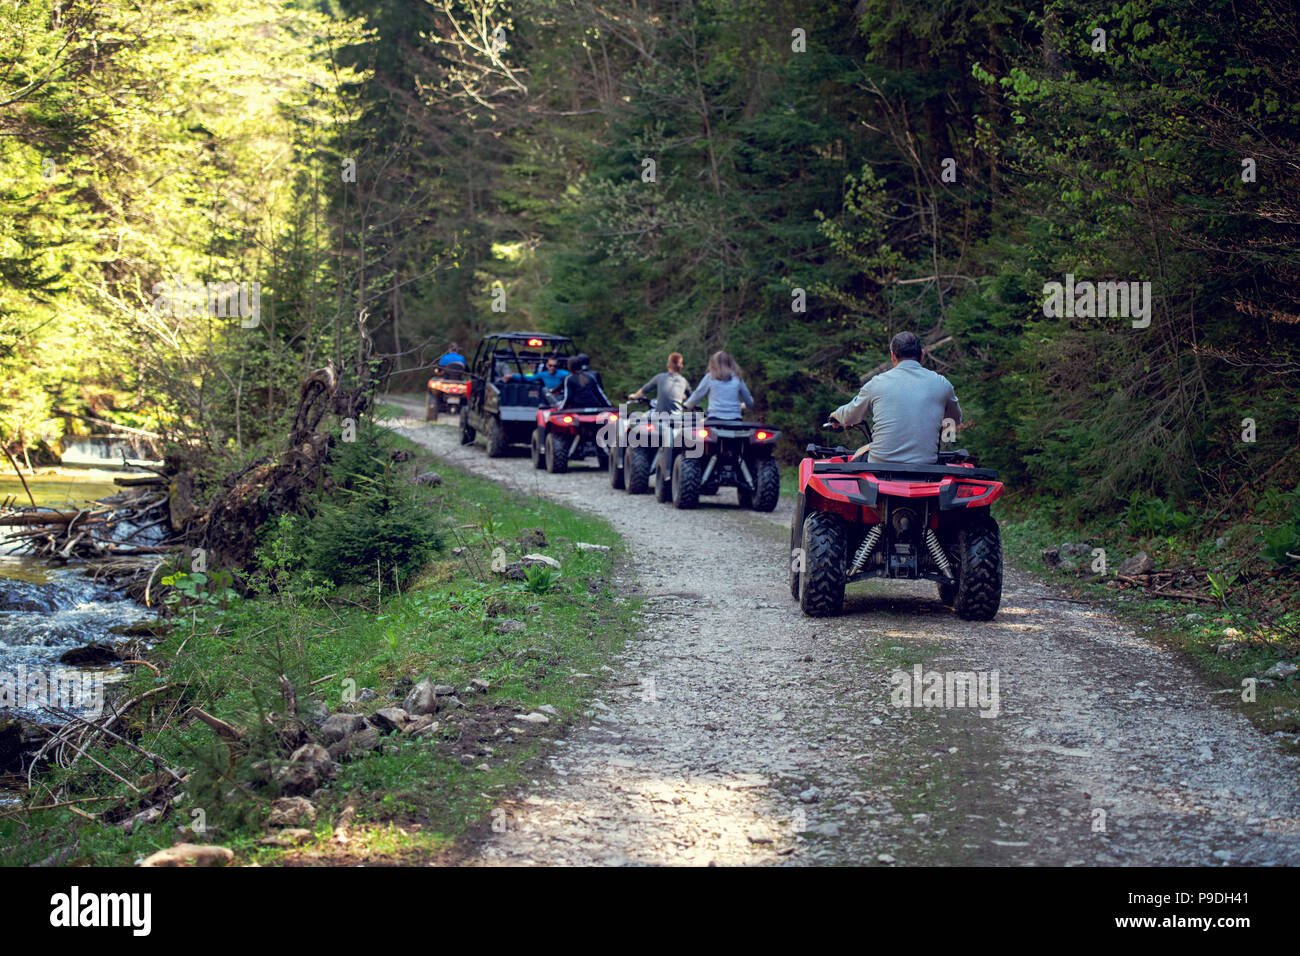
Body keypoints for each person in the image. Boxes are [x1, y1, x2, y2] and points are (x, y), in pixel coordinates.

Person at [828, 331, 961, 464]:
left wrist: (836, 416)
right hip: (926, 464)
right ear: (922, 355)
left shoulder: (877, 384)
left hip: (880, 464)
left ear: (893, 356)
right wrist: (942, 435)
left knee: (855, 460)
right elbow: (954, 420)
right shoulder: (942, 384)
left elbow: (851, 415)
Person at [683, 350, 753, 421]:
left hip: (715, 419)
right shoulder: (737, 378)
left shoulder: (710, 377)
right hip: (735, 419)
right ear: (731, 363)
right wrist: (746, 405)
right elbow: (748, 400)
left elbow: (698, 394)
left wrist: (687, 405)